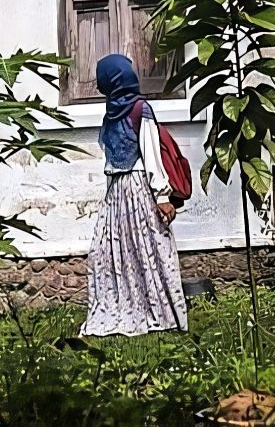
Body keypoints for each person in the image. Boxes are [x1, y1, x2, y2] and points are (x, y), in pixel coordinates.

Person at [82, 53, 188, 337]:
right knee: (113, 252)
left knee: (149, 249)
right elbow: (110, 160)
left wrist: (162, 196)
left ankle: (160, 311)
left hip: (140, 188)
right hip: (116, 193)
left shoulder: (140, 110)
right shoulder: (111, 113)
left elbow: (152, 153)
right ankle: (127, 306)